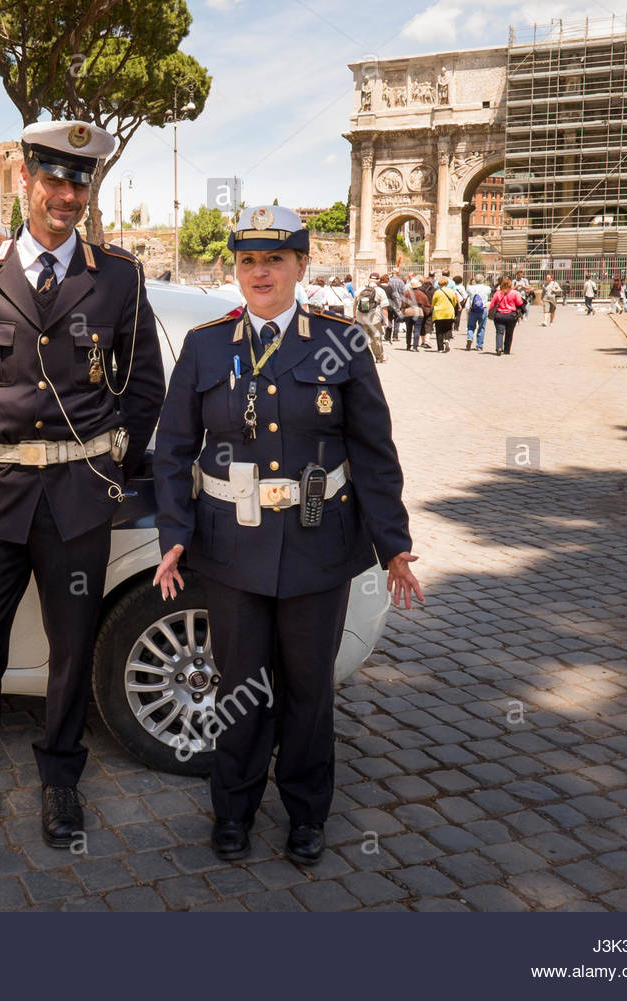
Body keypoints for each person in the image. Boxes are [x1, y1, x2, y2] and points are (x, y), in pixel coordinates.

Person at [0, 120, 166, 878]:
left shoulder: (117, 277)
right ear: (25, 179)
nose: (66, 194)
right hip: (0, 496)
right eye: (53, 178)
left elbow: (145, 387)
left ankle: (59, 781)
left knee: (70, 652)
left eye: (80, 181)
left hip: (81, 499)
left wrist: (117, 472)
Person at [152, 204, 422, 866]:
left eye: (274, 259)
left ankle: (306, 813)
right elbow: (174, 450)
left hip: (316, 545)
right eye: (247, 260)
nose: (260, 272)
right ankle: (234, 809)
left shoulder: (343, 341)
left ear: (302, 265)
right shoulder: (207, 345)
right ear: (236, 270)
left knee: (307, 689)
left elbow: (373, 450)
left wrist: (393, 542)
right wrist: (175, 534)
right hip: (231, 549)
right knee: (239, 684)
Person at [353, 272, 390, 363]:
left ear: (369, 279)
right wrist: (386, 320)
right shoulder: (380, 291)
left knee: (362, 339)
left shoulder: (360, 290)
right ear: (378, 280)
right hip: (374, 319)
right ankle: (379, 358)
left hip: (361, 318)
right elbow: (384, 308)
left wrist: (354, 317)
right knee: (376, 339)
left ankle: (362, 359)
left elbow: (354, 305)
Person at [489, 276, 524, 355]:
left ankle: (499, 347)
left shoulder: (497, 293)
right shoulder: (514, 293)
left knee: (499, 332)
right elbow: (520, 303)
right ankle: (507, 350)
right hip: (511, 316)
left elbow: (492, 304)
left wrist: (490, 312)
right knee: (509, 333)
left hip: (499, 315)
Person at [401, 277, 429, 352]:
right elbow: (426, 304)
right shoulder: (421, 294)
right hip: (418, 312)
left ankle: (408, 346)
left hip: (408, 312)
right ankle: (415, 347)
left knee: (409, 330)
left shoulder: (406, 293)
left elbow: (403, 304)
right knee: (417, 330)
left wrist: (403, 311)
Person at [464, 273, 491, 351]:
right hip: (483, 309)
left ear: (475, 280)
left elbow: (467, 294)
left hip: (473, 309)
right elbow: (489, 293)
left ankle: (470, 337)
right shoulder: (487, 288)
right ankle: (479, 345)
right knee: (481, 327)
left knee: (471, 326)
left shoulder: (470, 288)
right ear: (483, 280)